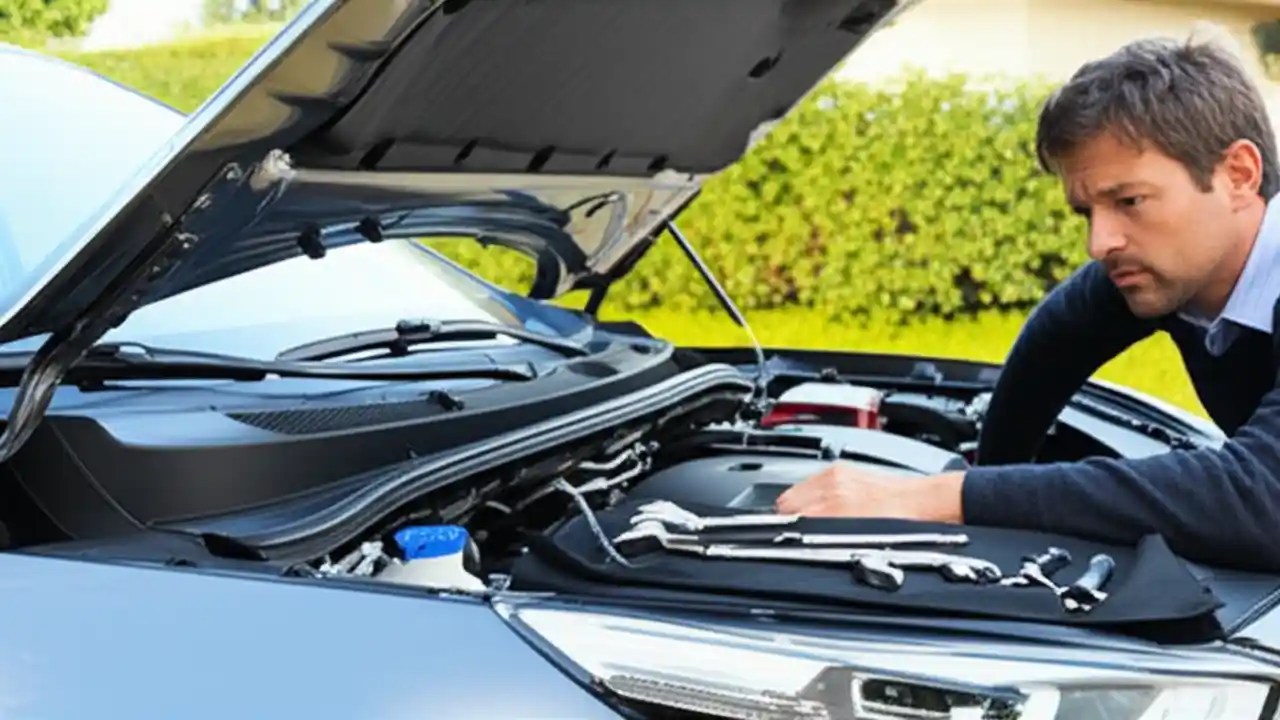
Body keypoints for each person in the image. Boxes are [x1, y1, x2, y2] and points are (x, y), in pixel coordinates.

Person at [775, 35, 1280, 572]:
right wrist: (992, 470)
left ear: (1238, 175)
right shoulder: (1167, 263)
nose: (1100, 243)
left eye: (1129, 201)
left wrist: (943, 498)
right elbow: (1052, 345)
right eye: (1086, 212)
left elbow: (1263, 500)